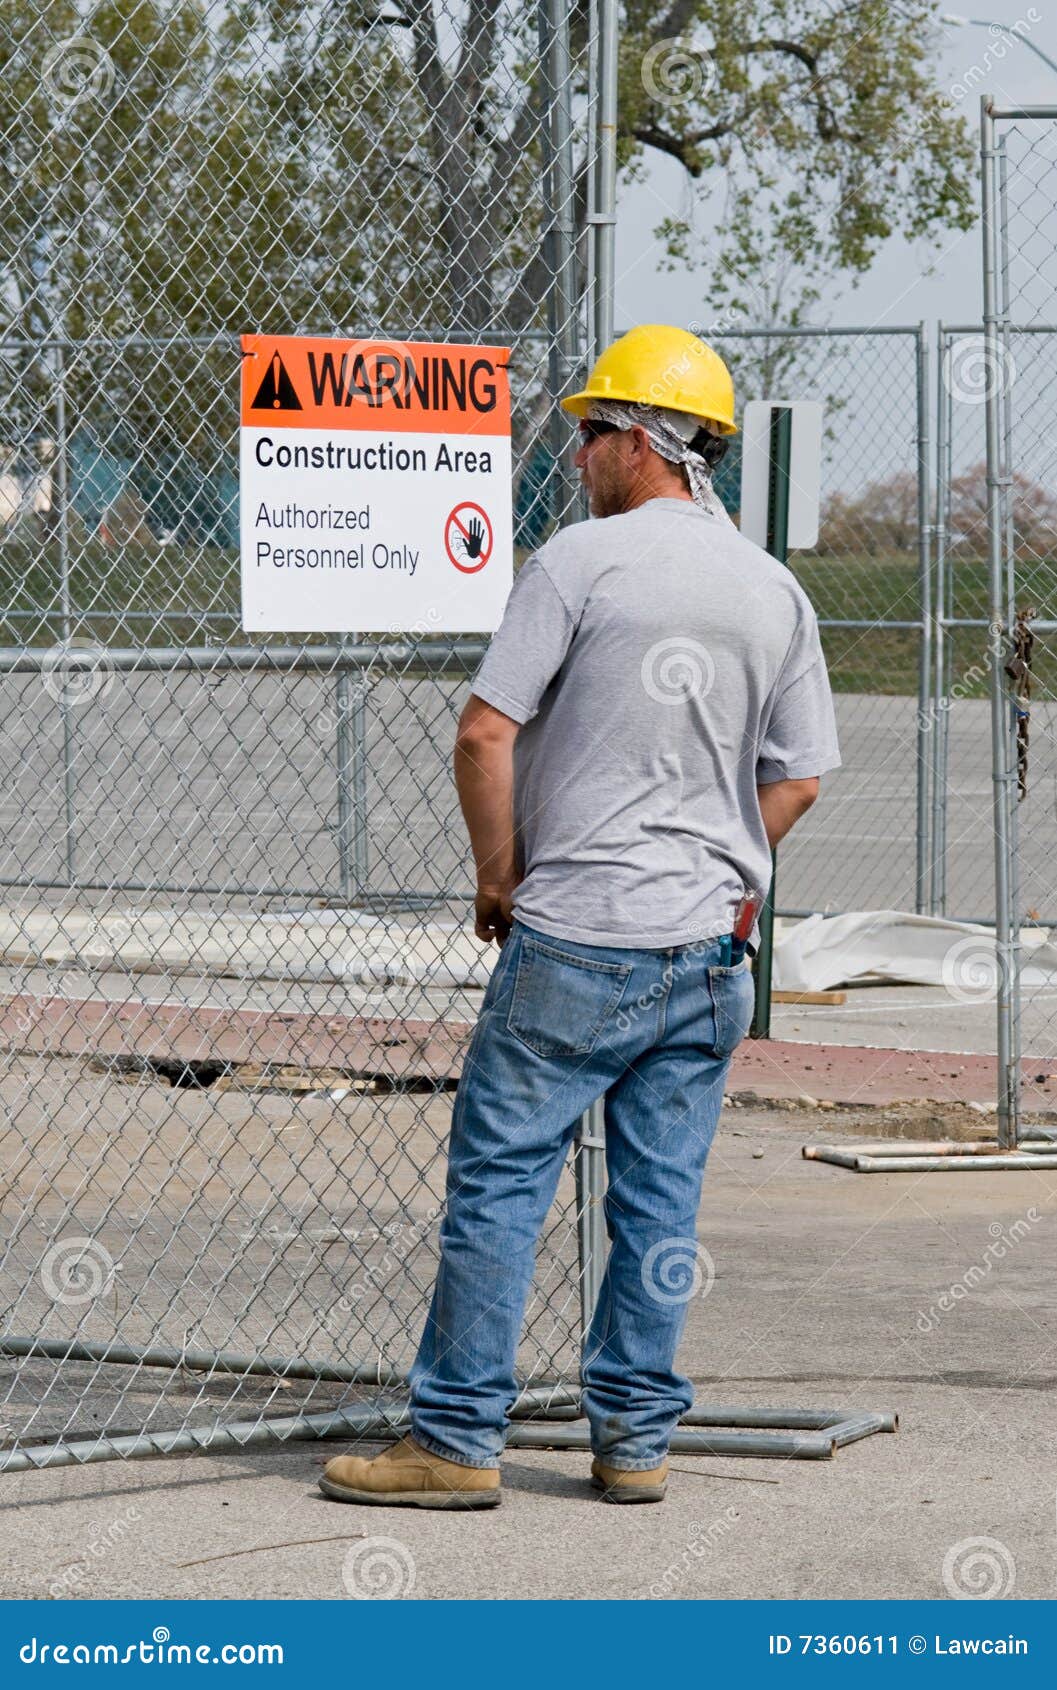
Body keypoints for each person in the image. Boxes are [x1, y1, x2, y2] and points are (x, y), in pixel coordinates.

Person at [319, 323, 841, 1510]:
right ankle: (634, 1441)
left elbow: (482, 730)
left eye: (594, 432)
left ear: (646, 444)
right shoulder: (772, 589)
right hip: (711, 950)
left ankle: (455, 1439)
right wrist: (722, 862)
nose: (579, 455)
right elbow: (800, 772)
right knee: (659, 1197)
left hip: (578, 935)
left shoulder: (577, 566)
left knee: (503, 1181)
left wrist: (498, 874)